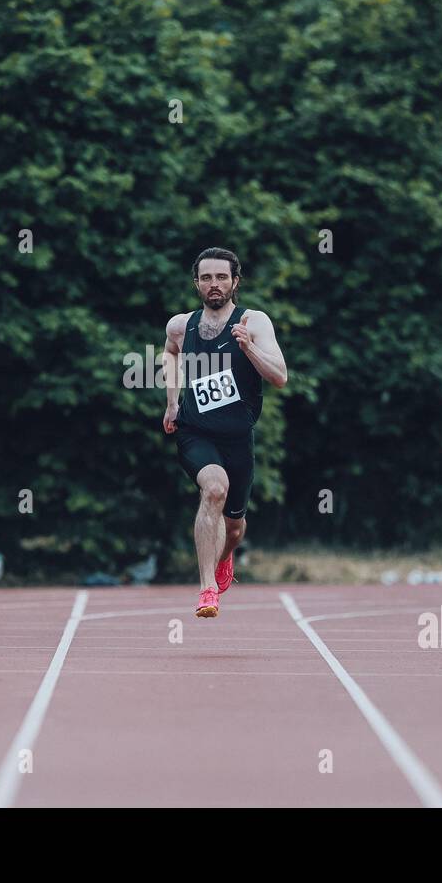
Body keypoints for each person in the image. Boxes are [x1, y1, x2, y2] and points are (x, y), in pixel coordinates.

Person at [162, 248, 287, 618]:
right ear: (196, 283)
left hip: (237, 439)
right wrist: (172, 402)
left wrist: (248, 347)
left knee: (233, 527)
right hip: (195, 432)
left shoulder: (254, 322)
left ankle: (226, 558)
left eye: (221, 277)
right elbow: (170, 353)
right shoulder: (181, 326)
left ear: (235, 281)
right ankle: (207, 590)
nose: (213, 284)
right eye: (206, 278)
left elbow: (279, 377)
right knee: (214, 488)